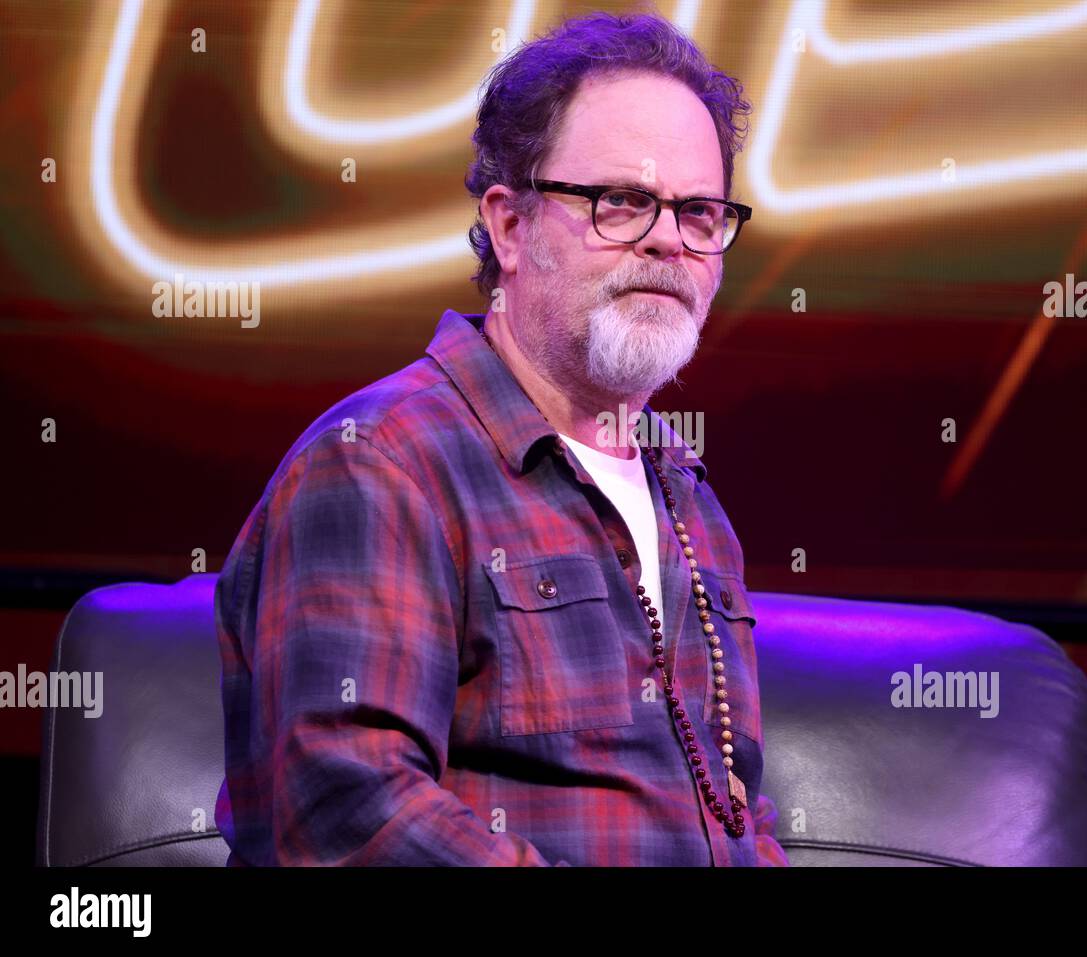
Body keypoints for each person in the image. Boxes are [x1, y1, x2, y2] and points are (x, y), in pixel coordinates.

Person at [214, 10, 788, 866]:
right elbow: (350, 812)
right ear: (511, 226)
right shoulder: (379, 462)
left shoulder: (691, 501)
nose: (669, 238)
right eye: (622, 202)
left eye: (700, 213)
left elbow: (736, 814)